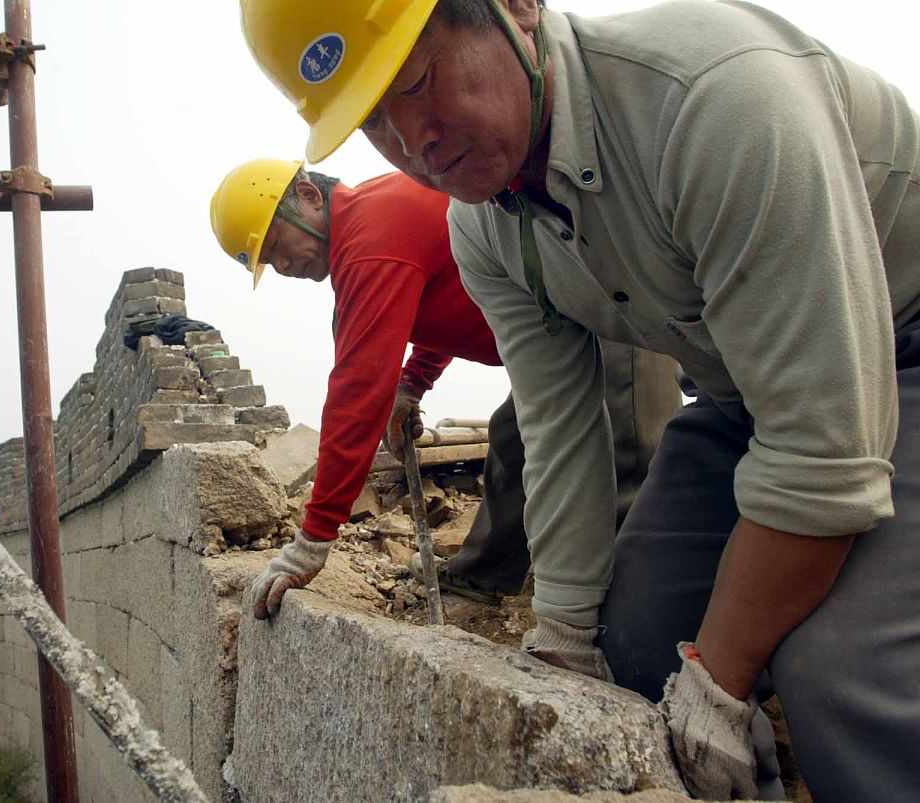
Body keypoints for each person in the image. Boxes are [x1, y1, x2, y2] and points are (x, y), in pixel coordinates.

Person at [240, 1, 920, 800]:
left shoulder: (714, 99)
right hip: (744, 390)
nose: (414, 141)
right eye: (374, 124)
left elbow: (823, 453)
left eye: (421, 79)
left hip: (895, 347)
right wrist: (563, 634)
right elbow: (557, 423)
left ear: (518, 8)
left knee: (837, 670)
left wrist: (719, 682)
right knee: (632, 645)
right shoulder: (483, 223)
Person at [211, 158, 680, 652]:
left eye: (278, 244)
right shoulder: (376, 226)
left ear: (308, 196)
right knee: (513, 437)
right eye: (268, 261)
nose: (282, 266)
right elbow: (460, 294)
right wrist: (413, 384)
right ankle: (484, 577)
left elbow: (358, 390)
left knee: (625, 456)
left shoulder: (369, 240)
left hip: (610, 313)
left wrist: (314, 537)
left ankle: (632, 631)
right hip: (557, 337)